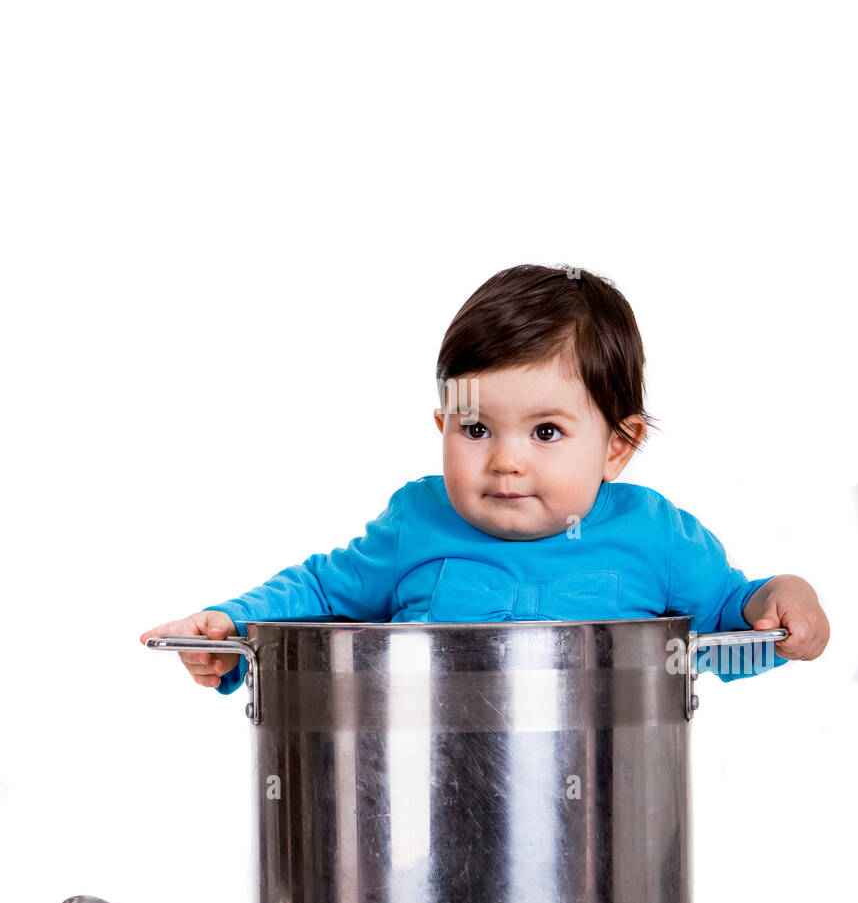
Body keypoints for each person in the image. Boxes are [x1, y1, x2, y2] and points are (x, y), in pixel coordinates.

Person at [140, 263, 830, 691]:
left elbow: (730, 617)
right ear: (442, 426)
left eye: (547, 432)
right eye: (476, 430)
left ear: (618, 447)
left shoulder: (652, 534)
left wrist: (785, 600)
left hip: (605, 837)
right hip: (418, 819)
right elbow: (321, 595)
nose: (506, 460)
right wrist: (233, 630)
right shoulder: (418, 521)